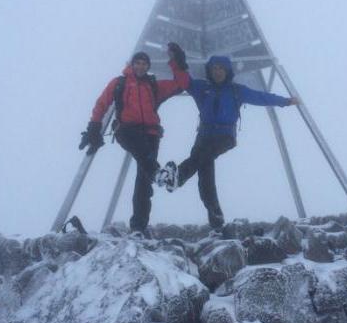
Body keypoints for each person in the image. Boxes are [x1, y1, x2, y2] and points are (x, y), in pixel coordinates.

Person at [157, 54, 298, 231]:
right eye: (214, 68)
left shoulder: (236, 90)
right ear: (210, 70)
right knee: (205, 179)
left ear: (227, 71)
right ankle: (217, 222)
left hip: (225, 137)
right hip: (204, 135)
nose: (217, 72)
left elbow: (260, 97)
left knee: (202, 156)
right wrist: (176, 63)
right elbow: (184, 81)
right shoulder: (202, 88)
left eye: (221, 68)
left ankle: (178, 177)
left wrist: (285, 101)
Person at [79, 43, 189, 235]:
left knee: (144, 182)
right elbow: (102, 103)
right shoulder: (119, 83)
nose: (140, 66)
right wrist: (94, 127)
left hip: (152, 133)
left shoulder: (154, 85)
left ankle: (138, 226)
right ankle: (158, 173)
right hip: (127, 130)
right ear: (132, 64)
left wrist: (176, 62)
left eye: (144, 63)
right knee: (145, 158)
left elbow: (181, 84)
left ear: (148, 66)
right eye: (137, 63)